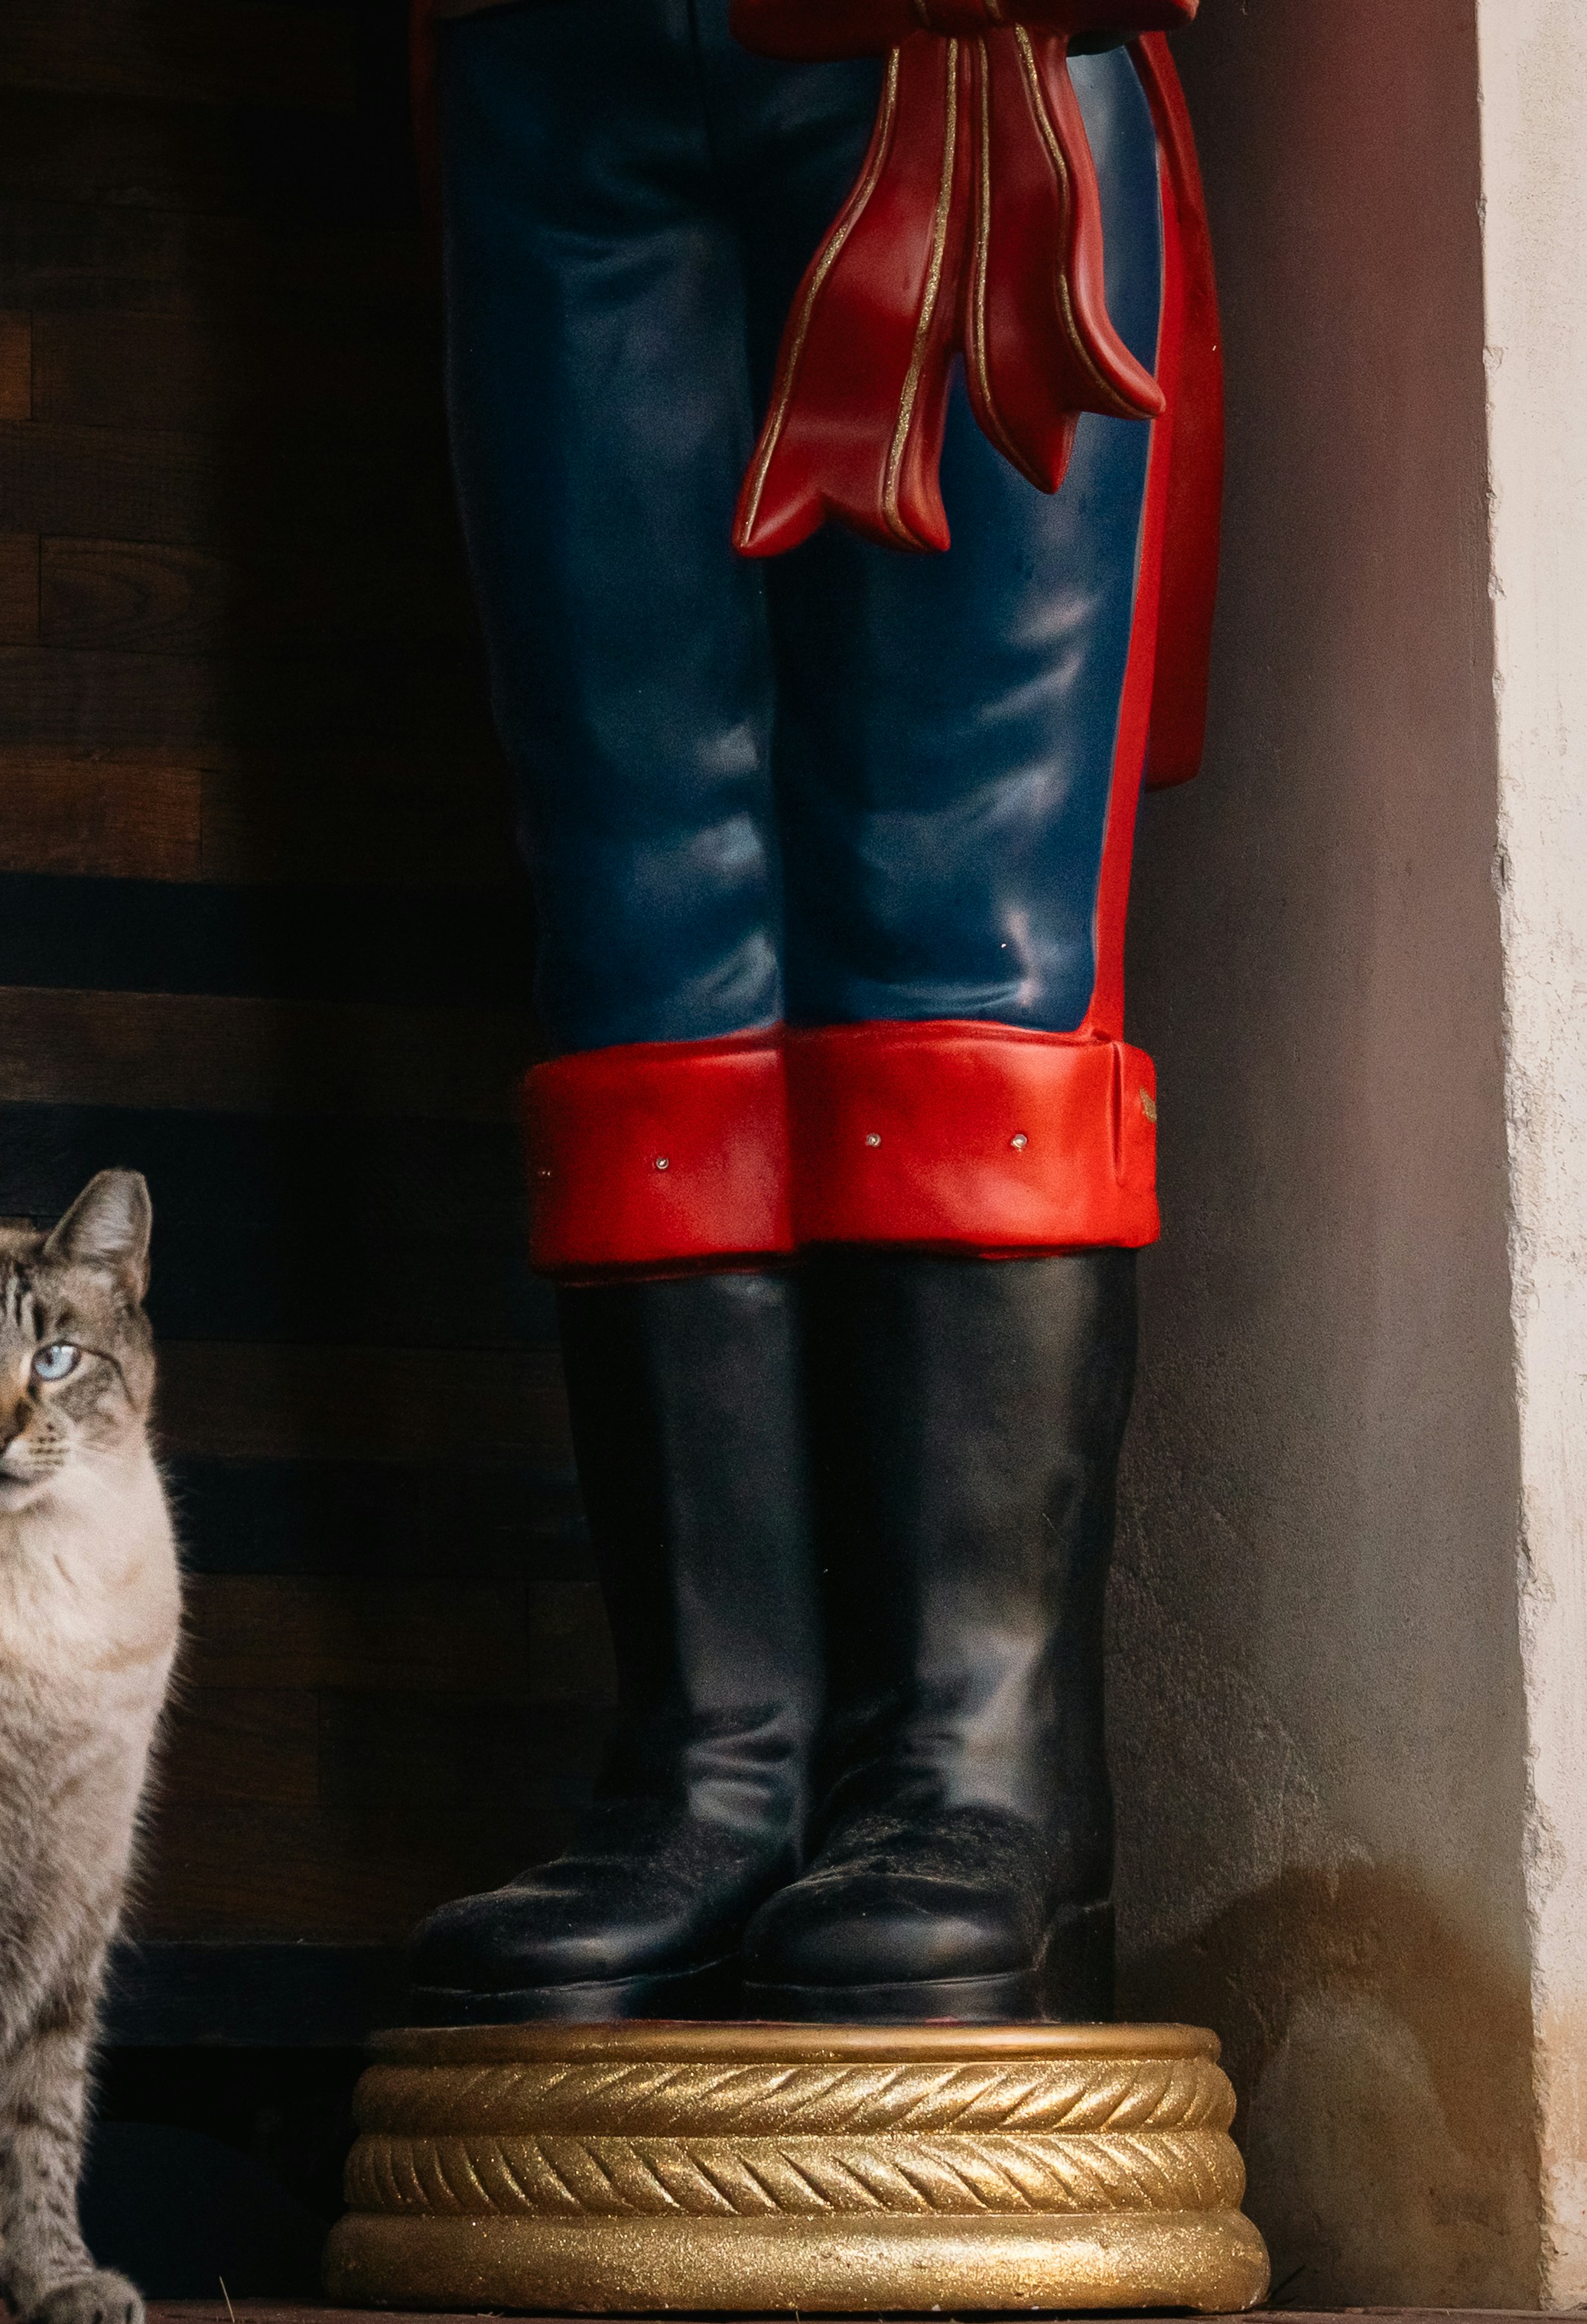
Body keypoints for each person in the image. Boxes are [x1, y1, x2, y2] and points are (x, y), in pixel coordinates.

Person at [406, 0, 1220, 2024]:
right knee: (628, 906)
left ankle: (977, 1765)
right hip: (546, 66)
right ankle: (719, 1762)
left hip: (946, 62)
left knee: (961, 902)